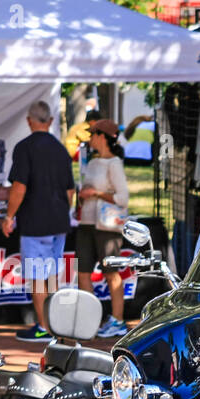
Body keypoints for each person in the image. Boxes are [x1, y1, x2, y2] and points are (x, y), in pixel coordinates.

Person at [5, 100, 75, 342]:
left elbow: (19, 187)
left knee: (37, 276)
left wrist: (8, 216)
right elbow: (69, 191)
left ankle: (43, 327)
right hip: (59, 222)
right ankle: (55, 327)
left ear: (29, 121)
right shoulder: (61, 149)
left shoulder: (25, 148)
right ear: (51, 121)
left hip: (35, 223)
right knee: (53, 274)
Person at [75, 119, 129, 338]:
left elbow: (123, 197)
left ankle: (118, 320)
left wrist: (96, 194)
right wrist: (82, 196)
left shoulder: (114, 163)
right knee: (82, 272)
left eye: (93, 134)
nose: (89, 138)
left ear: (103, 137)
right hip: (86, 223)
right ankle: (92, 319)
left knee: (111, 273)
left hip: (107, 226)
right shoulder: (93, 162)